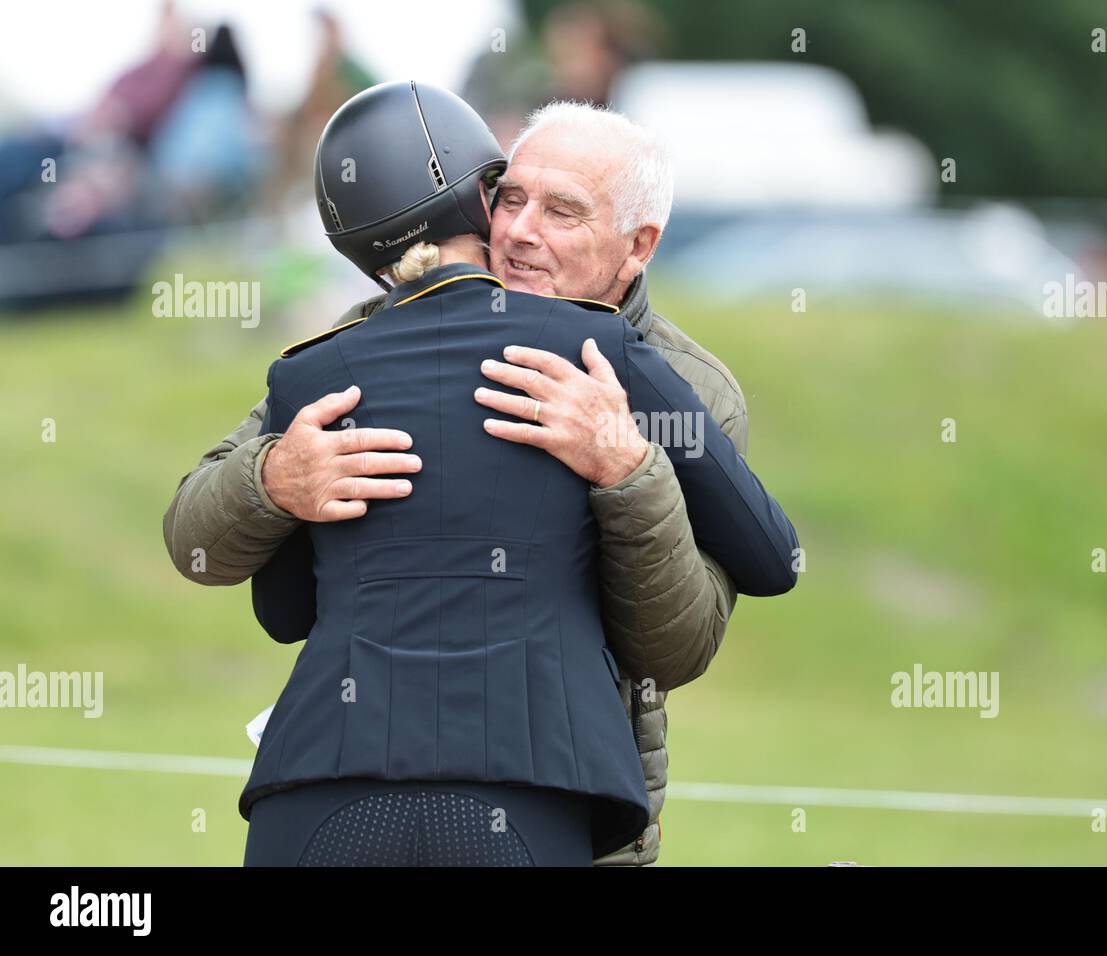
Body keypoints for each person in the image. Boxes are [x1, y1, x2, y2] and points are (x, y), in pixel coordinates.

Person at [164, 101, 756, 867]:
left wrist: (626, 469)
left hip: (576, 811)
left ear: (637, 245)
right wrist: (272, 478)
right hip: (356, 779)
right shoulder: (369, 335)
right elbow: (193, 540)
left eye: (563, 211)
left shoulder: (691, 391)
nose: (518, 230)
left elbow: (674, 647)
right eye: (509, 197)